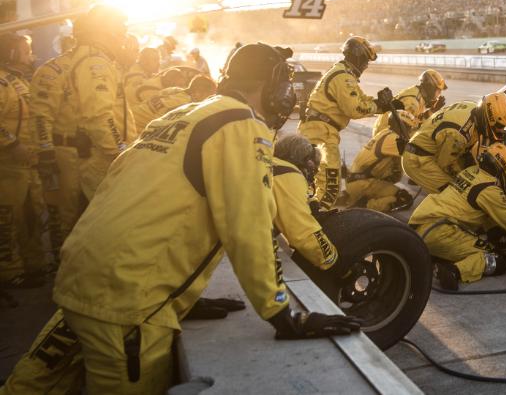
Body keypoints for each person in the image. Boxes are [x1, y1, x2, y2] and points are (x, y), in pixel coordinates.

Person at [4, 43, 359, 394]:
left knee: (28, 386)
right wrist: (282, 314)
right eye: (284, 83)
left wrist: (184, 297)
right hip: (128, 304)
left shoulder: (182, 115)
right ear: (267, 83)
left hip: (83, 281)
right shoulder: (240, 122)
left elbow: (130, 193)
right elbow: (248, 225)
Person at [409, 143, 506, 290]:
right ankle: (454, 272)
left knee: (483, 213)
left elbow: (498, 197)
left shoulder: (472, 172)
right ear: (503, 169)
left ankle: (437, 257)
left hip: (420, 228)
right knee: (497, 260)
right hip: (442, 232)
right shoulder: (490, 190)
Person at [298, 36, 392, 209]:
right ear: (356, 56)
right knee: (329, 187)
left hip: (316, 131)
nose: (366, 65)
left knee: (313, 184)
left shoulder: (342, 73)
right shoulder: (343, 77)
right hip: (322, 134)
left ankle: (309, 217)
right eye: (365, 60)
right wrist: (379, 105)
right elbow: (355, 109)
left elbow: (362, 100)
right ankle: (319, 223)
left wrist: (383, 105)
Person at [64, 5, 135, 200]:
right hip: (104, 160)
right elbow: (99, 116)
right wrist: (119, 151)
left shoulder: (96, 59)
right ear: (107, 30)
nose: (124, 34)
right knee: (113, 223)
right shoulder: (94, 62)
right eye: (121, 27)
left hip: (104, 156)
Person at [401, 93, 506, 194]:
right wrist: (473, 182)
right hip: (418, 160)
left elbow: (461, 156)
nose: (501, 130)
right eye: (500, 126)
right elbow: (446, 165)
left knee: (465, 184)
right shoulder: (460, 134)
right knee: (454, 194)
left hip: (429, 150)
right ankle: (433, 220)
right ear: (490, 118)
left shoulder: (473, 109)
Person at [0, 34, 47, 289]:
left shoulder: (18, 81)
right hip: (7, 165)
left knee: (32, 216)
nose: (31, 54)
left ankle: (34, 266)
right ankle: (8, 272)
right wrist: (12, 144)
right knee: (8, 219)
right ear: (10, 53)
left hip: (27, 164)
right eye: (26, 49)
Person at [28, 36, 80, 249]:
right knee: (65, 215)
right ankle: (63, 267)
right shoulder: (53, 71)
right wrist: (46, 152)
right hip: (66, 154)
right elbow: (41, 115)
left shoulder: (103, 67)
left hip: (95, 155)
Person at [271, 134, 339, 271]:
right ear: (306, 161)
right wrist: (331, 259)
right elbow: (301, 231)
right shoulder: (289, 175)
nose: (314, 171)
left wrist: (311, 202)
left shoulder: (270, 164)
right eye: (314, 165)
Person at [341, 110, 418, 212]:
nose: (409, 131)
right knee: (404, 199)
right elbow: (415, 156)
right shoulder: (393, 139)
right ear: (401, 126)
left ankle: (354, 196)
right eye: (408, 127)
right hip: (363, 184)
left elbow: (396, 174)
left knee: (392, 179)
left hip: (355, 180)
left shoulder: (384, 132)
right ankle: (364, 207)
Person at [370, 68, 447, 136]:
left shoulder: (418, 94)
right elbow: (410, 129)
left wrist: (432, 110)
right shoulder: (412, 102)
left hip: (387, 131)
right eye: (438, 91)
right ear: (430, 88)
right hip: (385, 135)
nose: (439, 94)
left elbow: (415, 119)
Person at [131, 75, 216, 130]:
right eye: (209, 96)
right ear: (198, 93)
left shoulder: (173, 90)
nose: (209, 101)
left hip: (130, 116)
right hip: (134, 130)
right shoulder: (186, 106)